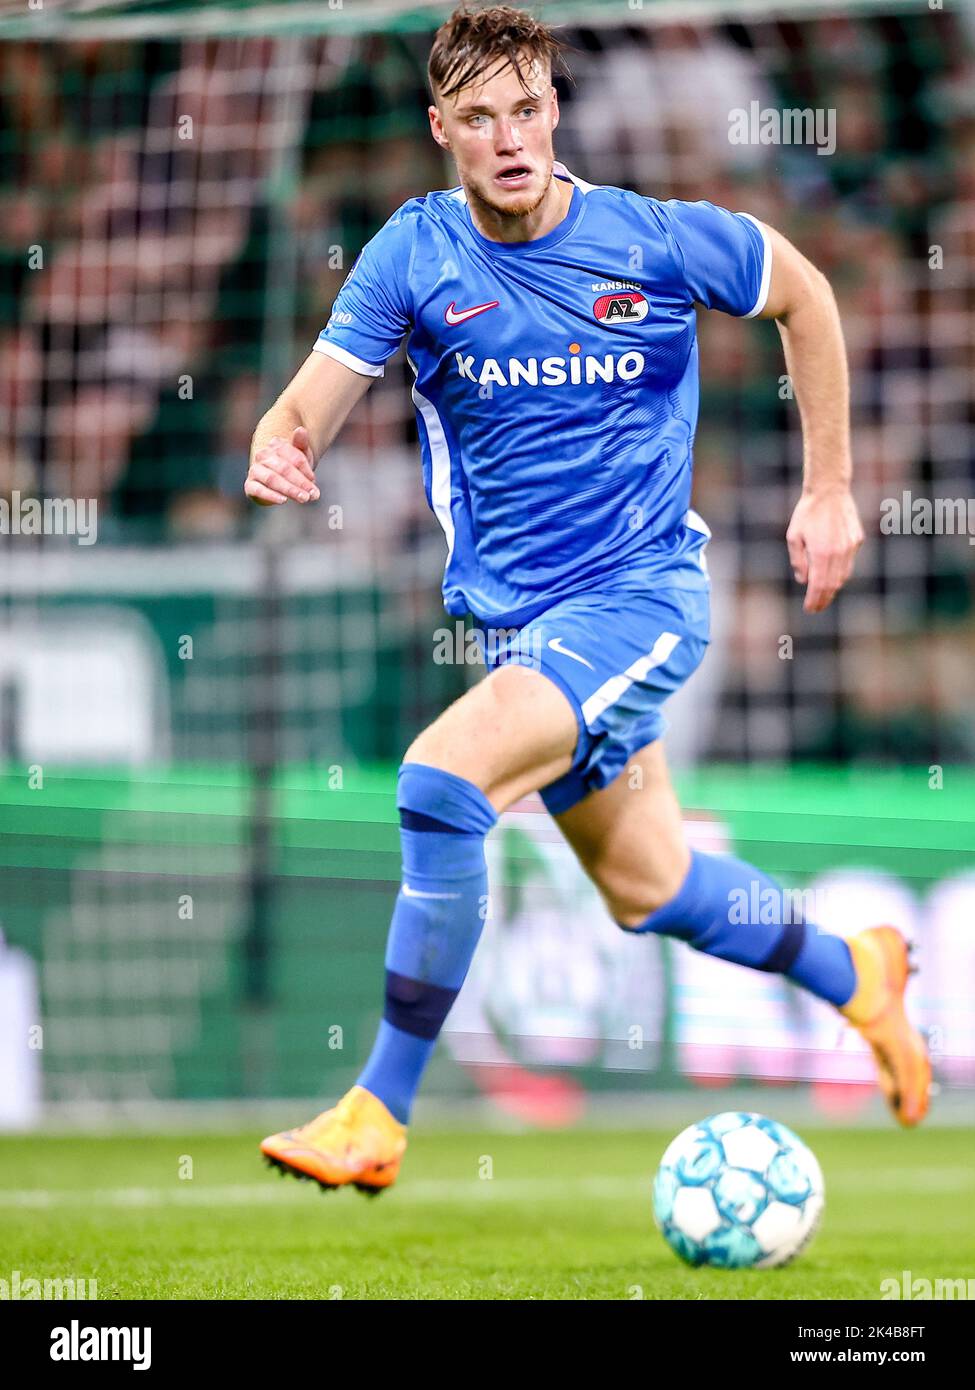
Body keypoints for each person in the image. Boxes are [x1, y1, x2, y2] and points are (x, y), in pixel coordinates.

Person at [248, 5, 930, 1194]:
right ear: (440, 129)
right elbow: (305, 405)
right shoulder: (414, 256)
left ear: (555, 110)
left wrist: (830, 489)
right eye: (479, 117)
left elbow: (806, 294)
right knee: (652, 889)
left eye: (527, 108)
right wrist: (279, 444)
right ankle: (855, 973)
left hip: (642, 599)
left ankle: (378, 1113)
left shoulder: (655, 238)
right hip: (525, 627)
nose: (509, 138)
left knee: (440, 780)